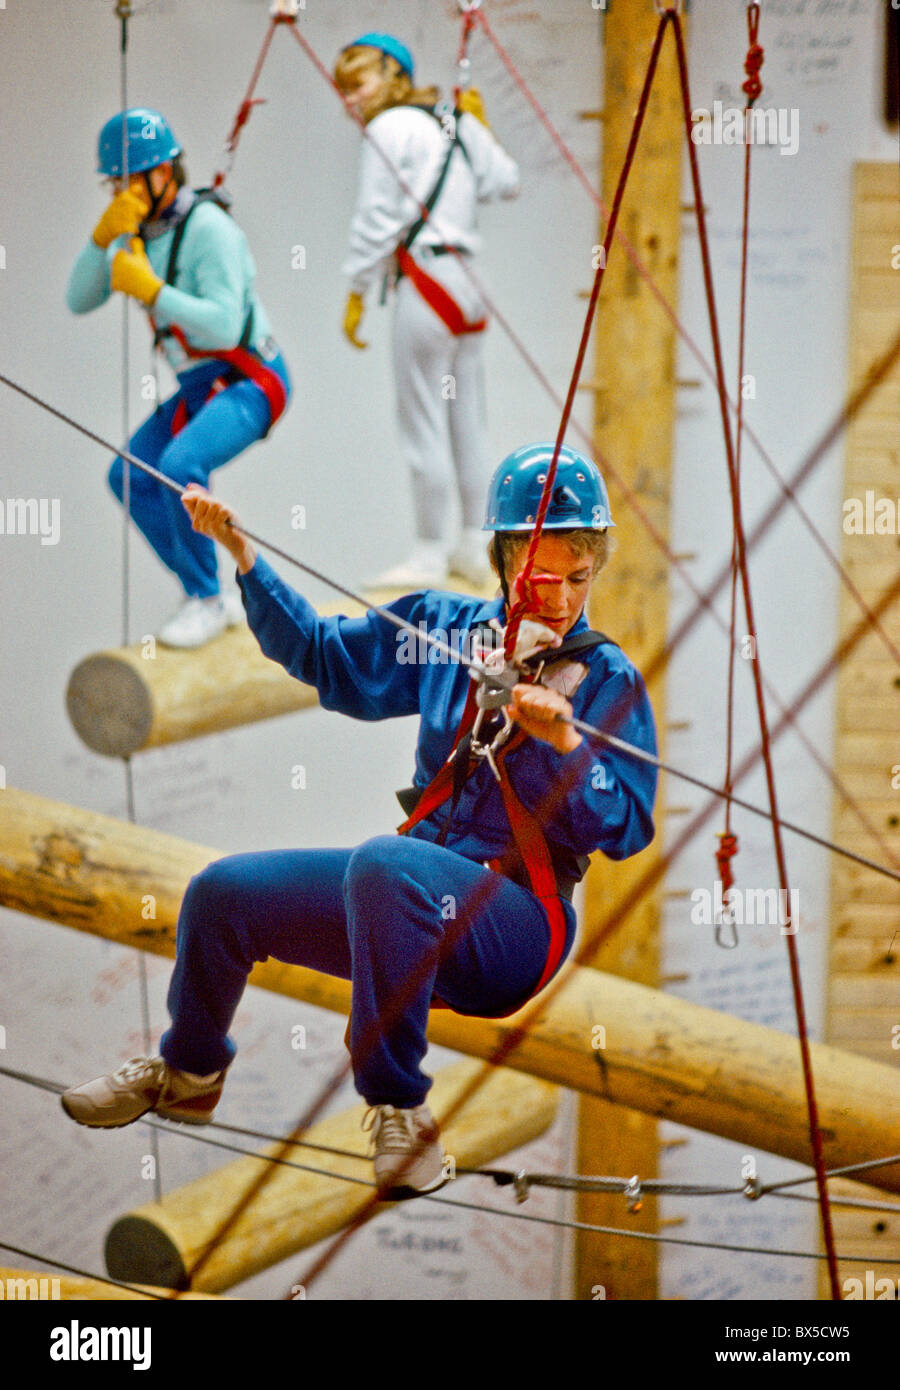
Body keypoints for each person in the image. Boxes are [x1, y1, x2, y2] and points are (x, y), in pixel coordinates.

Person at [61, 444, 658, 1197]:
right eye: (545, 578)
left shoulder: (604, 680)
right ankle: (189, 1068)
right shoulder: (447, 630)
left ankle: (400, 1108)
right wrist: (244, 556)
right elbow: (325, 658)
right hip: (404, 900)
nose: (563, 600)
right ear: (506, 562)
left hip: (516, 925)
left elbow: (629, 827)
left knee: (385, 864)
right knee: (223, 893)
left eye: (580, 578)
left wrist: (567, 744)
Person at [66, 107, 292, 648]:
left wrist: (150, 290)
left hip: (250, 378)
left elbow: (222, 324)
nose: (122, 192)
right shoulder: (132, 234)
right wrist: (102, 240)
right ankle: (207, 589)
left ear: (164, 172)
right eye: (113, 183)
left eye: (131, 180)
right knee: (128, 476)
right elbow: (79, 299)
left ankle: (207, 601)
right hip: (199, 386)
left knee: (179, 464)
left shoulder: (209, 229)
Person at [334, 33, 521, 590]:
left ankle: (427, 551)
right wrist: (478, 128)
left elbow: (374, 219)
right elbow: (505, 182)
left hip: (425, 282)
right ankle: (472, 540)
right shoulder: (455, 122)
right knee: (466, 419)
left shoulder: (387, 129)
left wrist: (357, 287)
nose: (350, 99)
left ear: (391, 76)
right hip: (466, 280)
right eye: (342, 88)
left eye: (358, 83)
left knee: (421, 423)